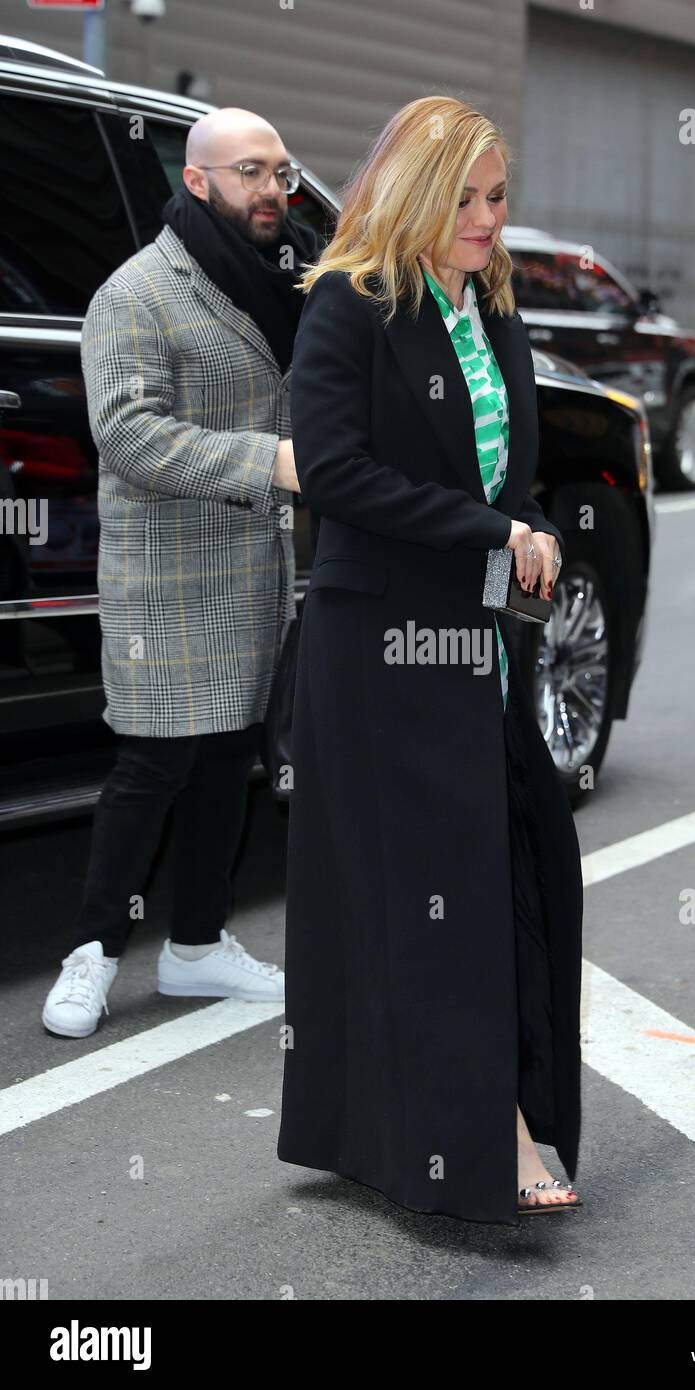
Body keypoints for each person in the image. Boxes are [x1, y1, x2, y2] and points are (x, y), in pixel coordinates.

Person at [277, 95, 584, 1223]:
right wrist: (494, 532)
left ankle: (452, 1121)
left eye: (499, 198)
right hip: (379, 654)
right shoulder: (350, 306)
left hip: (478, 647)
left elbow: (498, 475)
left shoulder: (492, 311)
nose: (487, 219)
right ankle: (483, 1135)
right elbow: (334, 470)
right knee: (422, 901)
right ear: (413, 192)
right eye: (464, 197)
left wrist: (524, 528)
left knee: (499, 881)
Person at [42, 109, 314, 1039]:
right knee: (152, 762)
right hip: (166, 572)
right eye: (250, 172)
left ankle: (198, 946)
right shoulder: (137, 291)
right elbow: (126, 435)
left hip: (253, 567)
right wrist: (269, 463)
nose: (272, 189)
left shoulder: (283, 277)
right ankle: (91, 953)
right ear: (197, 182)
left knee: (227, 758)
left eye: (280, 172)